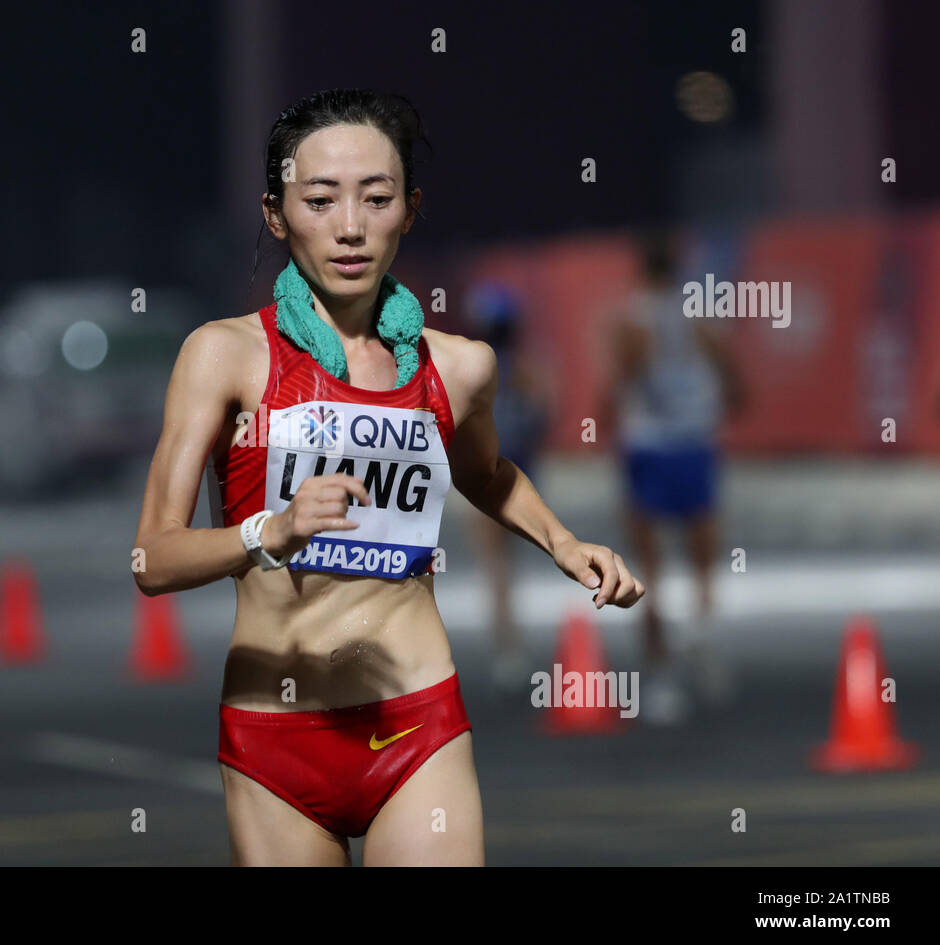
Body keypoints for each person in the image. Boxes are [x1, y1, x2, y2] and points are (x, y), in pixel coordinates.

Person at [133, 89, 644, 866]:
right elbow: (153, 559)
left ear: (408, 210)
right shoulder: (224, 356)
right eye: (320, 200)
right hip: (275, 732)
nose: (349, 226)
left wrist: (564, 543)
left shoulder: (461, 366)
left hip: (416, 723)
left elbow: (488, 473)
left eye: (376, 198)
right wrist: (270, 531)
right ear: (276, 215)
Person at [608, 230, 745, 725]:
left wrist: (607, 423)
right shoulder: (700, 316)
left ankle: (661, 676)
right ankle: (704, 647)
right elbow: (734, 378)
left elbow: (620, 380)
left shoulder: (630, 317)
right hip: (694, 443)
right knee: (703, 557)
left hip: (648, 444)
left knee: (648, 568)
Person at [463, 281, 550, 691]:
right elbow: (544, 414)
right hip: (515, 471)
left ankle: (508, 644)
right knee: (507, 564)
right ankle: (510, 642)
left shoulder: (475, 369)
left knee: (498, 566)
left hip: (488, 474)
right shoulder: (523, 369)